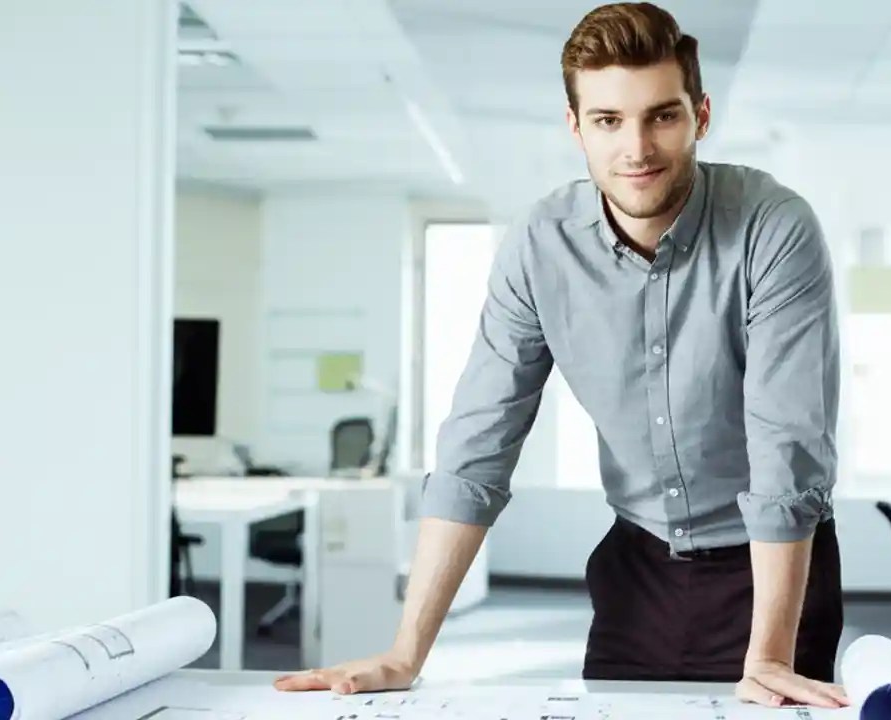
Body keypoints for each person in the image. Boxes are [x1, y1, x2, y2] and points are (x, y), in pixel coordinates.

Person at [274, 2, 847, 709]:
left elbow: (785, 445)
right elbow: (477, 445)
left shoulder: (772, 226)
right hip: (637, 570)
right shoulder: (541, 245)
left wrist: (766, 656)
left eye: (661, 116)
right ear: (575, 127)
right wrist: (405, 652)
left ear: (701, 115)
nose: (636, 147)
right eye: (608, 120)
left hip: (775, 574)